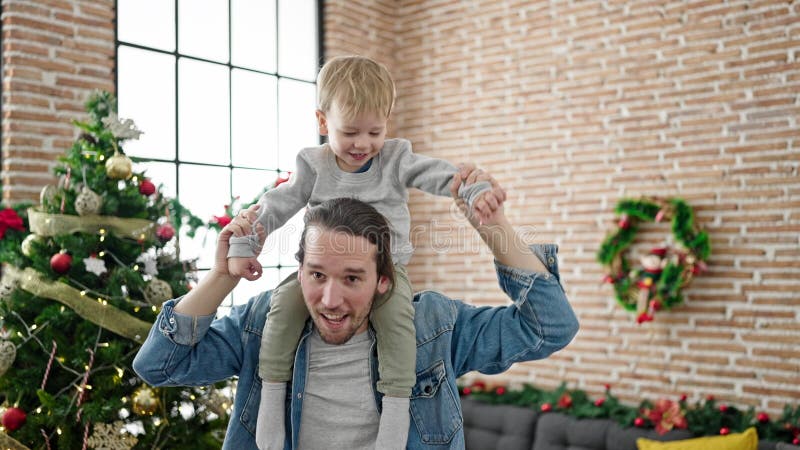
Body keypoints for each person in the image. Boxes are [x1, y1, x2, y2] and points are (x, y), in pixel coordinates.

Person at [133, 171, 580, 450]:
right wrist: (220, 278)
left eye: (351, 278)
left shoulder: (433, 327)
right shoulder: (262, 321)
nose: (330, 300)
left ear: (383, 280)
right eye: (316, 275)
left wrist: (494, 227)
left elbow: (550, 327)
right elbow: (158, 365)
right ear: (299, 271)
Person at [225, 55, 496, 449]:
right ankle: (270, 397)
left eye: (375, 131)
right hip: (323, 270)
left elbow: (438, 174)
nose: (364, 144)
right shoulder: (313, 164)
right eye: (350, 132)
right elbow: (276, 205)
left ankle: (396, 410)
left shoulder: (395, 159)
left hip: (383, 273)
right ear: (323, 122)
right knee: (281, 306)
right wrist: (244, 245)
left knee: (399, 323)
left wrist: (473, 188)